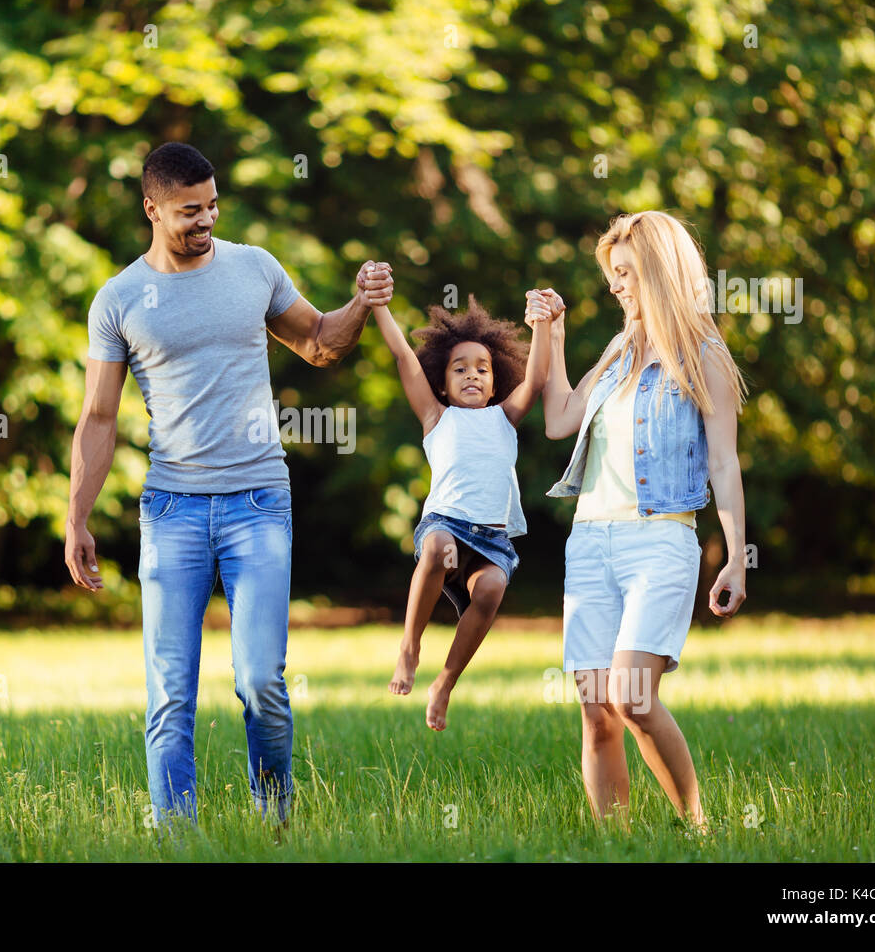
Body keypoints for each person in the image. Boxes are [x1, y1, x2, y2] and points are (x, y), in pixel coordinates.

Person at [64, 141, 394, 825]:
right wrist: (77, 518)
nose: (206, 220)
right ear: (151, 208)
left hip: (258, 503)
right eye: (190, 212)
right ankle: (175, 835)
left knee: (261, 682)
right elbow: (97, 417)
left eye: (213, 206)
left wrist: (360, 304)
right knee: (169, 693)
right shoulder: (120, 299)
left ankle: (274, 820)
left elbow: (322, 344)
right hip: (172, 508)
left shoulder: (254, 269)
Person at [539, 210, 748, 832]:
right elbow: (558, 420)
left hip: (660, 539)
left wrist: (737, 555)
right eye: (611, 274)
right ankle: (616, 843)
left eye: (625, 272)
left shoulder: (703, 353)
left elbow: (724, 460)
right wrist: (552, 334)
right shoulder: (619, 347)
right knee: (596, 707)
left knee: (633, 694)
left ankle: (696, 826)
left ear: (658, 270)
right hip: (591, 541)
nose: (615, 286)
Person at [374, 294, 551, 730]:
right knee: (437, 548)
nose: (471, 374)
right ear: (442, 382)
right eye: (460, 368)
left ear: (495, 383)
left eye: (482, 369)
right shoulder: (436, 417)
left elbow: (539, 376)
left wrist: (544, 324)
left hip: (491, 540)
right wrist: (378, 305)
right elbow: (402, 356)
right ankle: (410, 647)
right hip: (445, 524)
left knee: (490, 590)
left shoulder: (505, 417)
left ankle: (445, 683)